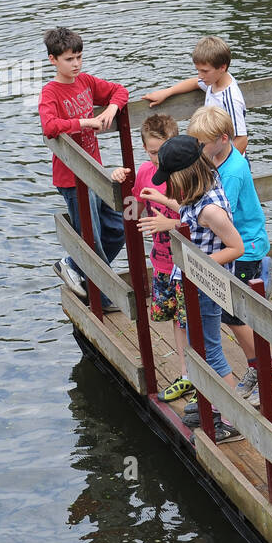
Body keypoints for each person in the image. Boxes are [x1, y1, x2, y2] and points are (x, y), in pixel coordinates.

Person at [140, 136, 244, 440]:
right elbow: (188, 212)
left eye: (169, 179)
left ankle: (231, 417)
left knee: (210, 350)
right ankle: (210, 403)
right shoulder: (200, 192)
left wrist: (198, 264)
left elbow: (236, 246)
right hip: (190, 283)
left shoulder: (211, 210)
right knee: (196, 345)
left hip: (204, 287)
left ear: (184, 175)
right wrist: (163, 202)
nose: (168, 184)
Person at [188, 105, 272, 406]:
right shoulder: (220, 158)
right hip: (240, 246)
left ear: (222, 138)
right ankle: (258, 367)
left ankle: (271, 368)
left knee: (235, 313)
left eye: (202, 144)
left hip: (245, 250)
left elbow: (220, 215)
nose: (199, 150)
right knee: (231, 312)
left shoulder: (231, 172)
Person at [39, 27, 127, 309]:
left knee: (118, 228)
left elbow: (119, 90)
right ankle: (100, 298)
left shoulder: (86, 82)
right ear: (53, 60)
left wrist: (111, 108)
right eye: (68, 59)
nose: (76, 64)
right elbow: (49, 126)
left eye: (78, 57)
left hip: (95, 173)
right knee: (92, 237)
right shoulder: (50, 92)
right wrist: (84, 123)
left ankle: (72, 264)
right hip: (72, 178)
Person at [109, 114, 192, 402]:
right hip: (161, 262)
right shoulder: (146, 172)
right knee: (177, 321)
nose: (156, 159)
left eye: (161, 152)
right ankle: (186, 375)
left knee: (194, 320)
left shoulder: (186, 175)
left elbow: (201, 219)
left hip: (187, 264)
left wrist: (171, 224)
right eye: (151, 152)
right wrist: (120, 178)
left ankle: (207, 380)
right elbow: (134, 205)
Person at [142, 36, 249, 155]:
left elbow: (242, 140)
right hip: (213, 154)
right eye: (198, 70)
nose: (200, 76)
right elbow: (194, 83)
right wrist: (167, 92)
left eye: (204, 71)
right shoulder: (214, 81)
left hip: (226, 162)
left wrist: (221, 166)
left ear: (222, 67)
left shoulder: (230, 99)